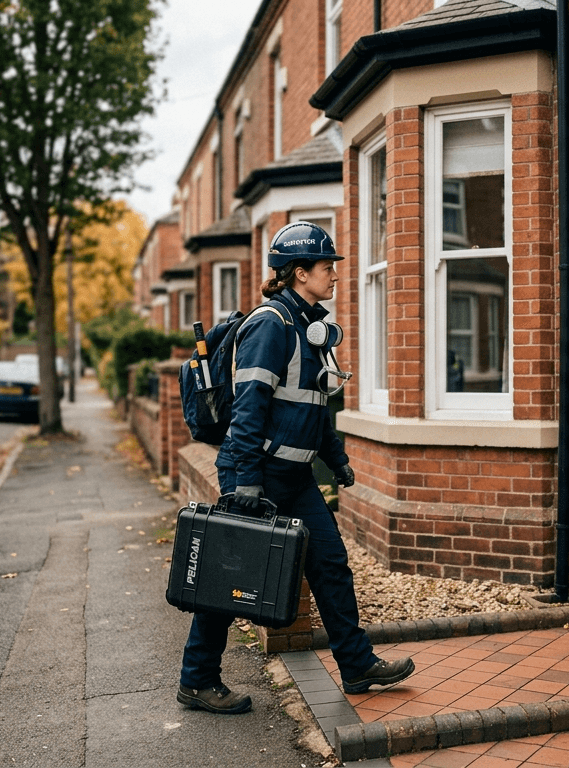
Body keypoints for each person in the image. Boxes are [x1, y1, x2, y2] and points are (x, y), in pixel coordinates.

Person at [177, 221, 416, 715]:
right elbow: (249, 408)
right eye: (328, 267)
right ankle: (197, 680)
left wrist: (337, 459)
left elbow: (314, 405)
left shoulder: (311, 328)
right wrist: (244, 481)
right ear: (299, 272)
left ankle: (356, 665)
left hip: (296, 476)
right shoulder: (271, 324)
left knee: (330, 564)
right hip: (256, 473)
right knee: (231, 576)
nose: (334, 275)